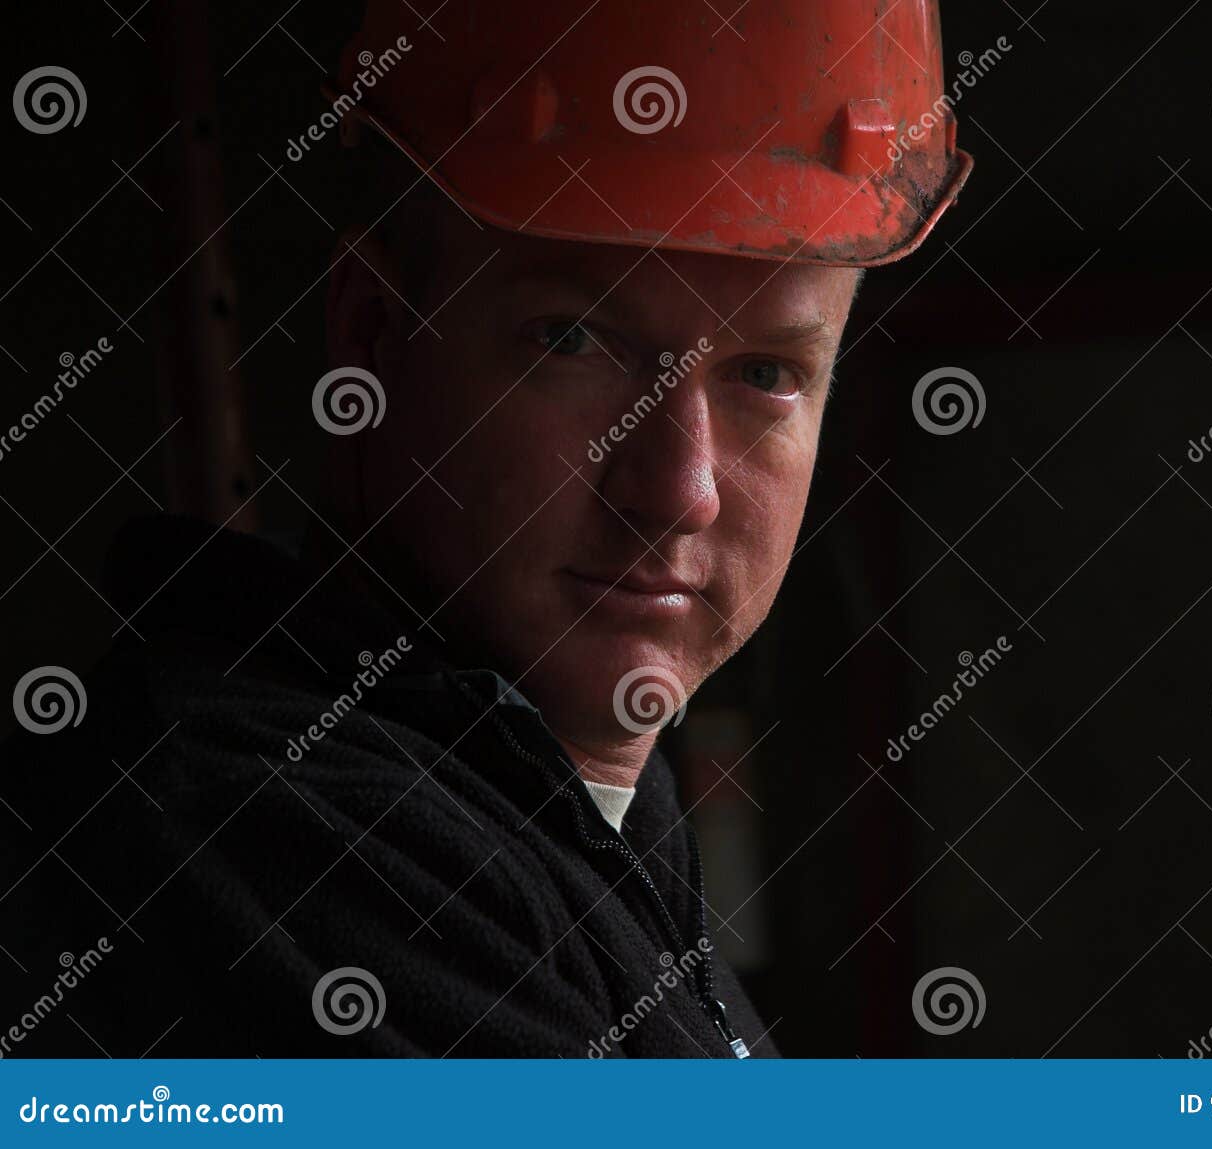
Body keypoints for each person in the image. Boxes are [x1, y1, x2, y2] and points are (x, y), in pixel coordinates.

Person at [0, 0, 971, 1058]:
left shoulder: (568, 799)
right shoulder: (288, 840)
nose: (681, 487)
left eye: (765, 375)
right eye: (575, 339)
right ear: (372, 331)